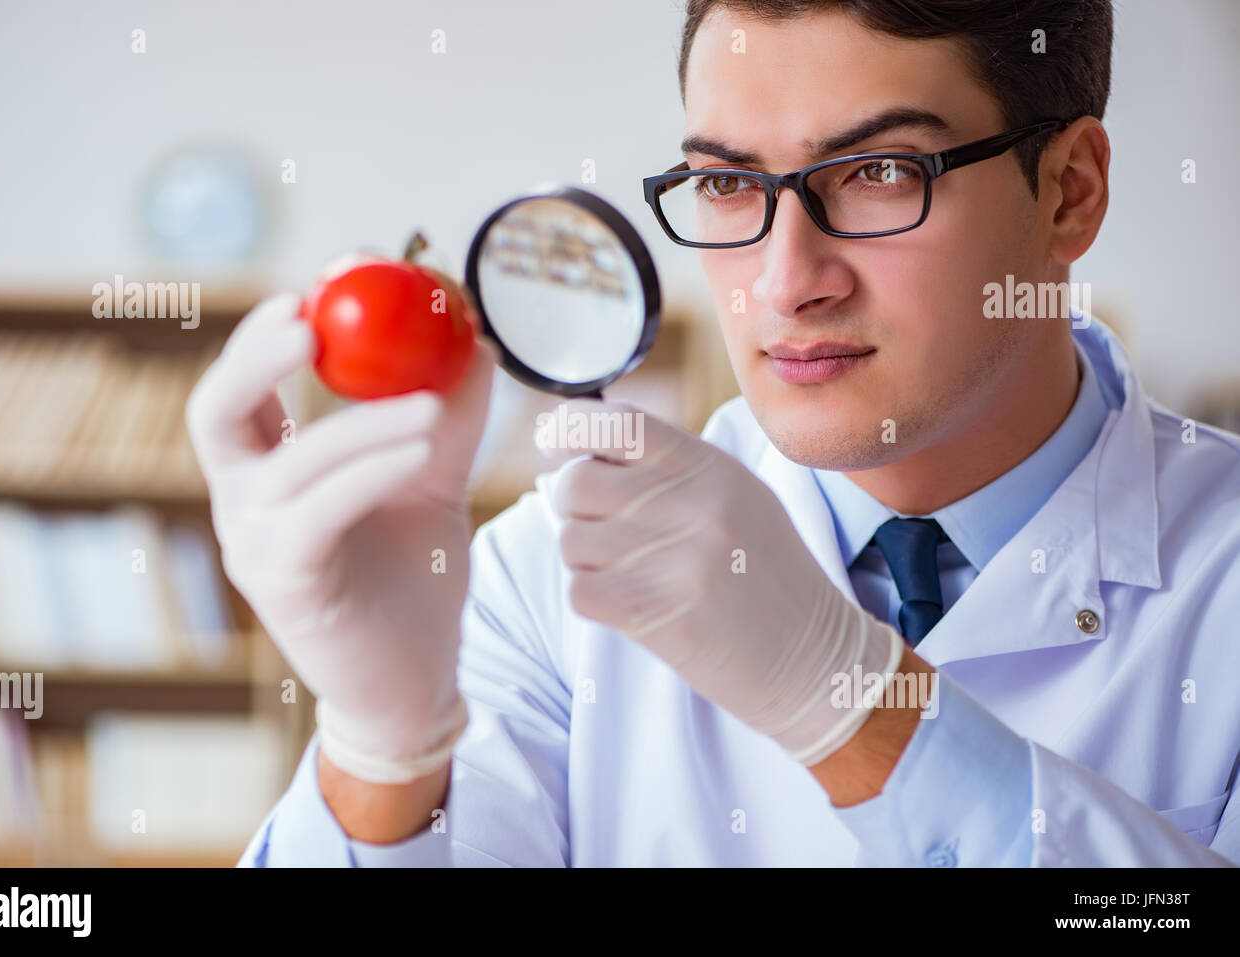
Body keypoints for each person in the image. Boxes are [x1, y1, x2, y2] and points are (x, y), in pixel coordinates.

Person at [186, 0, 1240, 866]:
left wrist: (856, 710)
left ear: (1069, 192)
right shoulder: (541, 584)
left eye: (878, 173)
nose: (786, 283)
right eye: (729, 185)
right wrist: (383, 756)